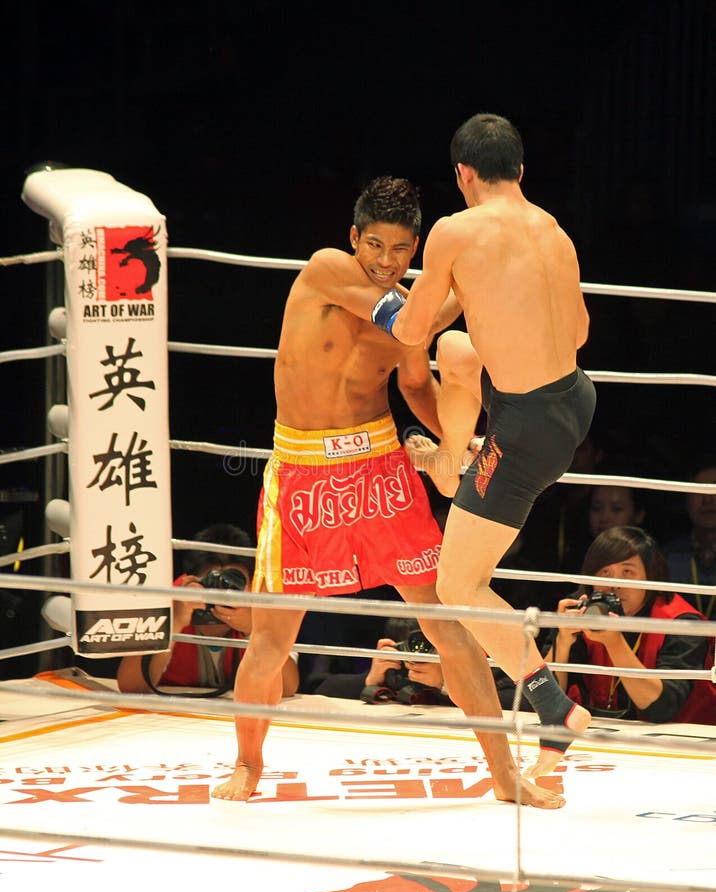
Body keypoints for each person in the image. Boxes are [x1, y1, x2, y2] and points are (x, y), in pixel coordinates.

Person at [211, 175, 563, 808]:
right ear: (353, 238)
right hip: (303, 475)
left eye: (401, 250)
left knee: (448, 626)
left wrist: (466, 439)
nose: (384, 261)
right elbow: (406, 323)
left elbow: (416, 386)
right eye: (374, 245)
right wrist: (467, 290)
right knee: (270, 640)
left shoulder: (409, 301)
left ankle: (506, 775)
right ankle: (248, 765)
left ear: (415, 249)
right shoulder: (326, 272)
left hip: (379, 469)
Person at [369, 113, 597, 777]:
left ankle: (554, 708)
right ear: (520, 172)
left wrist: (381, 300)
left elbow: (408, 332)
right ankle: (450, 463)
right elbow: (578, 331)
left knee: (458, 583)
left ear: (463, 174)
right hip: (573, 399)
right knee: (459, 348)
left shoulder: (453, 231)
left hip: (526, 430)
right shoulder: (553, 229)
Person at [542, 526, 715, 725]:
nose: (615, 583)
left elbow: (662, 709)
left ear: (651, 576)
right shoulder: (578, 610)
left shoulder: (682, 622)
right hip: (600, 733)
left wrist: (615, 643)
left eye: (627, 572)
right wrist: (562, 642)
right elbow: (544, 700)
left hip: (685, 739)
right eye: (605, 572)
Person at [117, 524, 299, 697]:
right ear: (192, 581)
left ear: (252, 585)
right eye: (211, 582)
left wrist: (256, 630)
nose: (222, 593)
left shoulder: (264, 608)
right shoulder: (169, 601)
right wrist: (175, 622)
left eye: (233, 582)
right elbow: (131, 687)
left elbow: (288, 688)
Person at [308, 617, 452, 705]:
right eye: (408, 644)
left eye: (423, 644)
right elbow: (323, 689)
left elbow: (473, 704)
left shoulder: (458, 675)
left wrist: (444, 684)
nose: (416, 651)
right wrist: (370, 679)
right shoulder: (392, 672)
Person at [663, 463, 716, 620]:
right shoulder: (666, 555)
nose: (707, 499)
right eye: (699, 490)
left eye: (714, 489)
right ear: (686, 500)